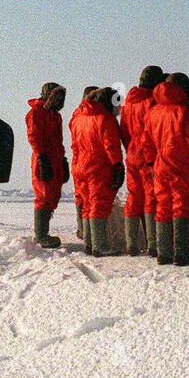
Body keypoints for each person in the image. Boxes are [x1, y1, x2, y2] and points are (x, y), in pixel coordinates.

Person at [142, 72, 189, 266]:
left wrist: (150, 164)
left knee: (163, 206)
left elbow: (146, 143)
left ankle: (164, 253)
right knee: (182, 206)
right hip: (182, 165)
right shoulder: (184, 111)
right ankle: (181, 253)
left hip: (160, 165)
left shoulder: (153, 111)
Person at [70, 86, 125, 257]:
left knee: (87, 204)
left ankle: (89, 243)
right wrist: (118, 166)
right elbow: (111, 146)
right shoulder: (104, 119)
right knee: (98, 205)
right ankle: (100, 245)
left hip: (80, 166)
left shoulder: (79, 118)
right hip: (98, 166)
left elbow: (75, 144)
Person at [120, 65, 165, 256]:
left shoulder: (128, 104)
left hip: (132, 155)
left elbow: (123, 131)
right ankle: (153, 243)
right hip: (149, 155)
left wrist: (131, 148)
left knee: (133, 197)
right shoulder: (152, 101)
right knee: (151, 197)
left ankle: (132, 244)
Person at [25, 83, 67, 249]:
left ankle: (44, 233)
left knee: (52, 195)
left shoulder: (55, 115)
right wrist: (42, 158)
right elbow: (34, 137)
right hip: (43, 159)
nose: (59, 101)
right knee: (44, 195)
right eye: (56, 97)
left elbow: (58, 140)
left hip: (55, 158)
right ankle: (41, 235)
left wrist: (63, 160)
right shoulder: (35, 113)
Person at [70, 86, 100, 241]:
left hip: (78, 160)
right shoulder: (94, 115)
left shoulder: (76, 115)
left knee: (81, 196)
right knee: (90, 198)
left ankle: (82, 229)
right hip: (90, 160)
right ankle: (90, 234)